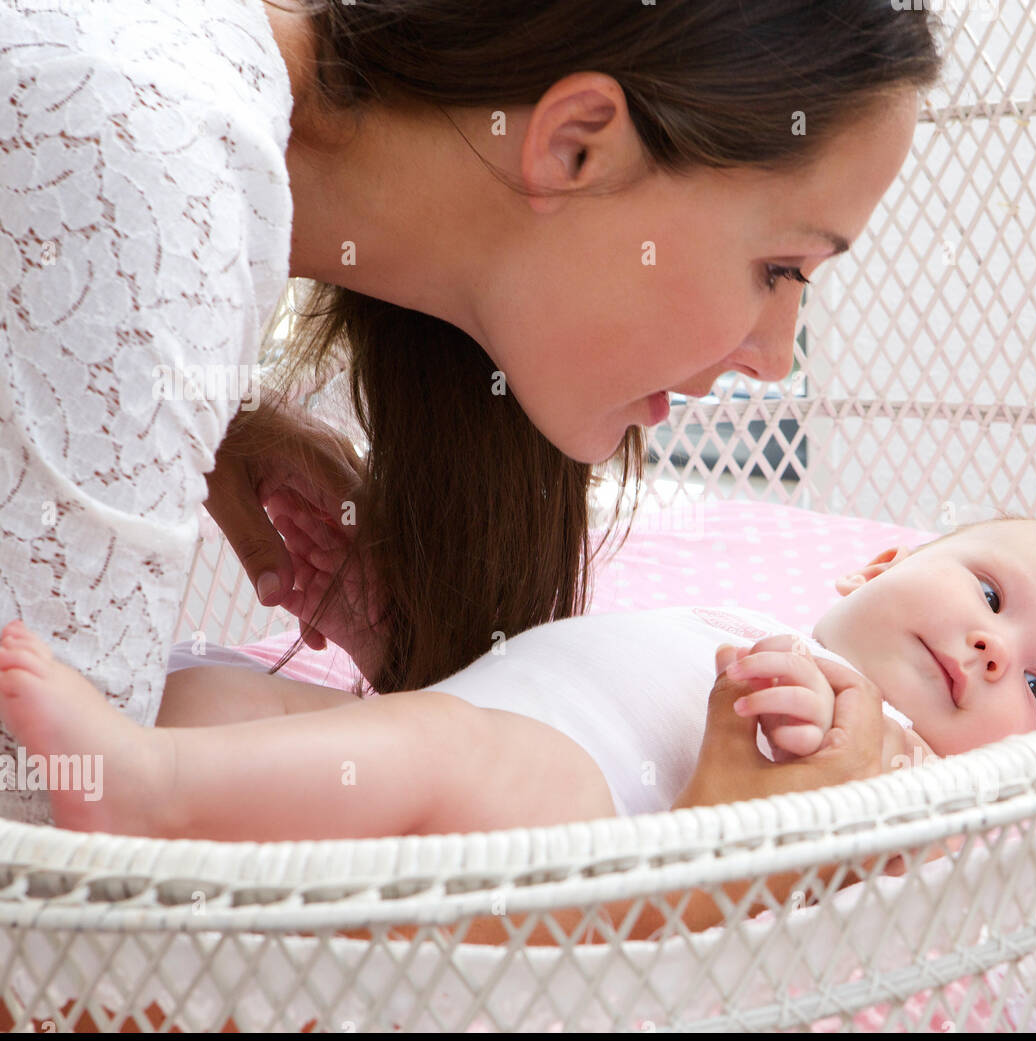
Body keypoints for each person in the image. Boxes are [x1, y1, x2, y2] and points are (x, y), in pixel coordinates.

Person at [0, 0, 943, 826]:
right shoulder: (140, 162)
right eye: (782, 269)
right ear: (577, 144)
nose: (775, 360)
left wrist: (215, 421)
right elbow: (40, 883)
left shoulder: (166, 141)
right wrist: (712, 859)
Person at [0, 517, 1036, 842]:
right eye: (991, 595)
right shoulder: (741, 615)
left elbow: (835, 837)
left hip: (565, 821)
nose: (996, 651)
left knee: (443, 751)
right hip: (451, 723)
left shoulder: (890, 751)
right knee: (223, 689)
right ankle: (127, 771)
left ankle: (147, 788)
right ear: (879, 563)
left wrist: (839, 750)